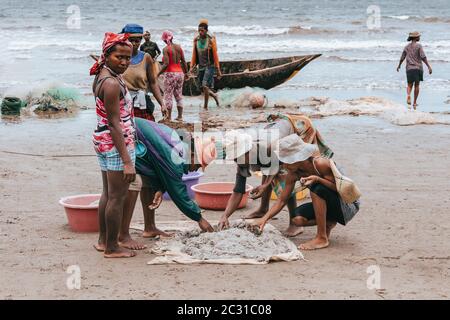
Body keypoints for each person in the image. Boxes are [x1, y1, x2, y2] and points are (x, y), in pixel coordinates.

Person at [218, 113, 334, 237]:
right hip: (275, 138)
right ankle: (263, 209)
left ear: (248, 152)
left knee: (286, 175)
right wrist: (225, 216)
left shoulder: (268, 146)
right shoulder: (242, 159)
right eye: (235, 159)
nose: (237, 161)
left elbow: (278, 164)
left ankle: (295, 224)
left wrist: (266, 185)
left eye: (238, 158)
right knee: (267, 168)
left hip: (299, 127)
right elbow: (238, 190)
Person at [118, 118, 216, 249]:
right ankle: (123, 236)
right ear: (192, 154)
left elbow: (160, 168)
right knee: (134, 183)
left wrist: (160, 189)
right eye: (198, 165)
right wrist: (199, 218)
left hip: (137, 141)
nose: (196, 169)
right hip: (124, 139)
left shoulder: (181, 146)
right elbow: (178, 191)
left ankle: (149, 227)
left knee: (148, 183)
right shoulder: (175, 155)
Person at [254, 134, 360, 250]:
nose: (284, 165)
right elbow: (281, 200)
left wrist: (318, 179)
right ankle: (329, 221)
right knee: (297, 219)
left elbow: (339, 190)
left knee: (316, 187)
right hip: (330, 204)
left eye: (286, 161)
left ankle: (322, 237)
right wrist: (264, 219)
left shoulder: (321, 164)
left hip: (347, 206)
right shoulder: (293, 173)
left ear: (298, 158)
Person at [90, 32, 137, 258]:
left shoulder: (102, 74)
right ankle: (112, 247)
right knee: (117, 197)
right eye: (120, 57)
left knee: (108, 194)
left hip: (103, 140)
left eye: (128, 58)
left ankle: (102, 241)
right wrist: (127, 161)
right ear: (107, 55)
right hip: (116, 144)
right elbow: (114, 123)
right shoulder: (110, 84)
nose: (125, 62)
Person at [120, 24, 165, 121]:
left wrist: (162, 104)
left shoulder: (146, 57)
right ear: (125, 40)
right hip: (122, 104)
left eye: (137, 41)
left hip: (141, 104)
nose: (134, 43)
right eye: (131, 40)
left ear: (141, 41)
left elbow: (153, 83)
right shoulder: (119, 57)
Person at [189, 19, 222, 110]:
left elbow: (215, 56)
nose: (200, 32)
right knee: (201, 87)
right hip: (201, 66)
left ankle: (205, 107)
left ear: (206, 31)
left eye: (202, 30)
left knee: (205, 85)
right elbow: (194, 54)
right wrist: (192, 66)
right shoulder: (196, 41)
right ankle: (214, 96)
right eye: (199, 30)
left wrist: (218, 70)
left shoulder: (211, 41)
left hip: (209, 66)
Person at [157, 30, 188, 121]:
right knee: (178, 95)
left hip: (170, 73)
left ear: (164, 40)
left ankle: (169, 117)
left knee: (168, 95)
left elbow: (166, 64)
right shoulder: (179, 47)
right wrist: (186, 73)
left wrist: (158, 74)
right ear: (172, 37)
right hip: (180, 73)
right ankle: (180, 116)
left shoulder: (166, 49)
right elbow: (184, 61)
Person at [397, 31, 432, 110]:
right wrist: (429, 66)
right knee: (416, 85)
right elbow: (423, 57)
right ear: (416, 38)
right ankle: (415, 102)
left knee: (409, 84)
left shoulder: (406, 47)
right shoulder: (419, 46)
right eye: (418, 36)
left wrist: (399, 65)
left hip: (409, 68)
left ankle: (408, 95)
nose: (419, 37)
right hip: (418, 68)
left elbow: (402, 57)